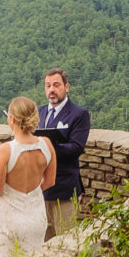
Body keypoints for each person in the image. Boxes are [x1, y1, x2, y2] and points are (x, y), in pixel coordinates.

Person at [0, 95, 53, 257]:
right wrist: (31, 195)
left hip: (10, 221)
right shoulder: (46, 144)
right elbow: (50, 181)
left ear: (11, 119)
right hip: (37, 218)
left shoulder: (6, 150)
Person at [37, 68, 90, 237]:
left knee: (65, 239)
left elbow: (76, 147)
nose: (52, 89)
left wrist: (46, 146)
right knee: (42, 239)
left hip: (64, 189)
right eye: (48, 86)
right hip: (40, 188)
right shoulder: (39, 112)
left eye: (56, 85)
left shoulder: (79, 114)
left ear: (66, 87)